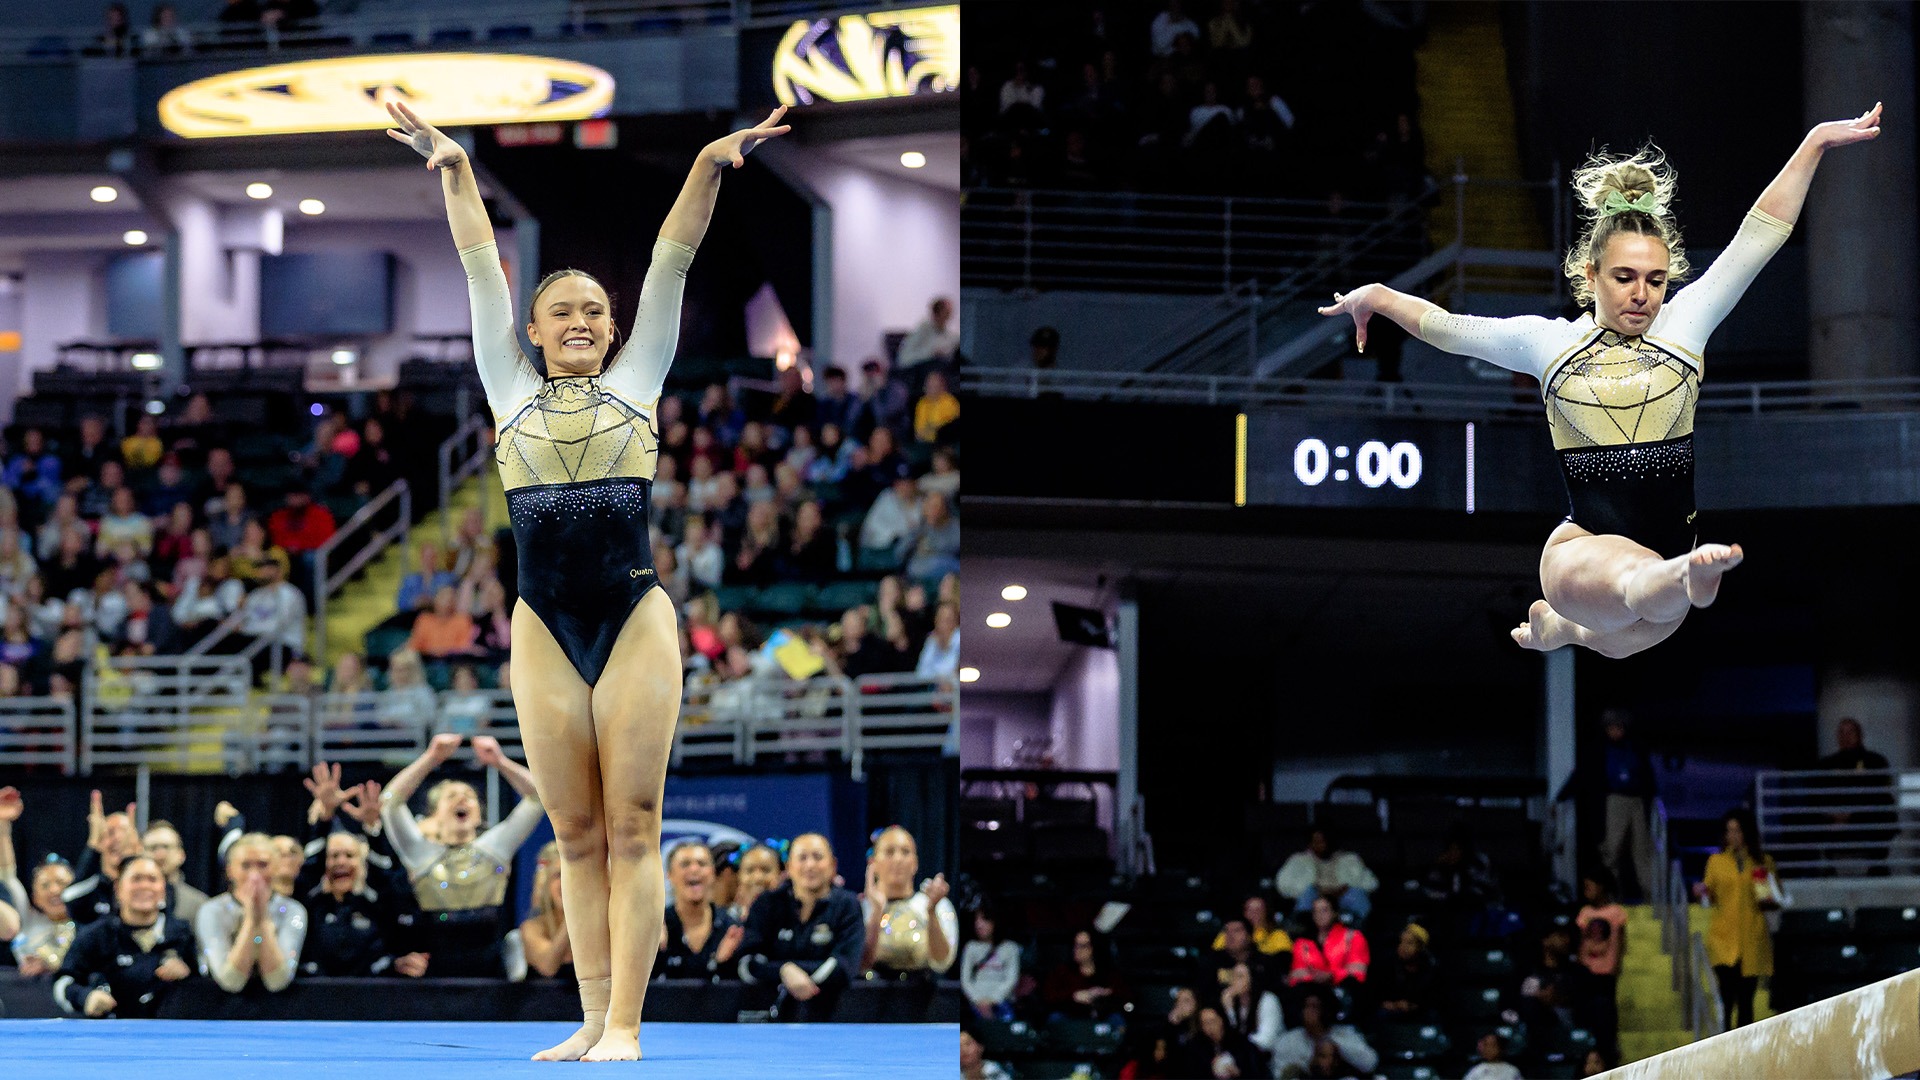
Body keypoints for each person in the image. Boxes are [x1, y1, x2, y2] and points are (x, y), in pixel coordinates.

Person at [391, 96, 791, 1061]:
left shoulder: (639, 379)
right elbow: (480, 263)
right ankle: (588, 1016)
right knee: (572, 833)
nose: (578, 320)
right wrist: (453, 169)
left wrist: (704, 163)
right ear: (531, 330)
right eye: (560, 310)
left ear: (612, 332)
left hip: (631, 612)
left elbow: (672, 259)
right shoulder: (507, 384)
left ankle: (627, 1026)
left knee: (633, 822)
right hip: (542, 622)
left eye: (593, 312)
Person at [1318, 104, 1885, 658]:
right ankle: (1672, 579)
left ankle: (1564, 629)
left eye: (1656, 279)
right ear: (1591, 275)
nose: (1642, 294)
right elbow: (1450, 328)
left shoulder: (1686, 324)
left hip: (1660, 581)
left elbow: (1759, 238)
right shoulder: (1550, 344)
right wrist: (1378, 297)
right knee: (1639, 585)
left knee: (1647, 625)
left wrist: (1813, 144)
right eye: (1625, 277)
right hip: (1579, 554)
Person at [379, 734, 545, 980]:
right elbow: (390, 803)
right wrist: (430, 758)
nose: (461, 799)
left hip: (491, 971)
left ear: (478, 815)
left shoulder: (494, 848)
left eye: (469, 796)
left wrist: (500, 762)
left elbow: (537, 798)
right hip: (436, 972)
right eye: (451, 796)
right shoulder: (420, 852)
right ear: (435, 814)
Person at [736, 832, 864, 1021]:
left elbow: (845, 967)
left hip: (832, 1018)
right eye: (802, 858)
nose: (810, 865)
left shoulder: (847, 905)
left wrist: (794, 973)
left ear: (833, 865)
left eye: (818, 857)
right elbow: (747, 964)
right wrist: (784, 971)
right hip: (771, 1022)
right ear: (788, 867)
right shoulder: (766, 904)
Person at [53, 854, 195, 1018]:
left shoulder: (182, 933)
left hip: (170, 1036)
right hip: (110, 1035)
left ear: (164, 889)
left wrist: (187, 975)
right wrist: (85, 997)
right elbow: (62, 982)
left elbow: (205, 985)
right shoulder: (97, 935)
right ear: (118, 888)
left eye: (152, 879)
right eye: (136, 879)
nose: (144, 886)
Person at [1692, 807, 1777, 1029]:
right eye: (1729, 831)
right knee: (1727, 996)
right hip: (1723, 937)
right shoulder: (1716, 861)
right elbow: (1710, 893)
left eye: (1738, 831)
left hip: (1751, 937)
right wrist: (1702, 891)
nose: (1733, 836)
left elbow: (1769, 898)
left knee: (1746, 999)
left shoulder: (1762, 862)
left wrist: (1768, 896)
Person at [197, 831, 308, 993]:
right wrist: (251, 919)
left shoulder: (292, 910)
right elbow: (231, 981)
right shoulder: (212, 910)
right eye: (246, 865)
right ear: (230, 871)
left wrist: (262, 919)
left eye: (263, 865)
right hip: (223, 1011)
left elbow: (277, 981)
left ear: (276, 868)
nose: (254, 876)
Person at [859, 825, 956, 980]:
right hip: (870, 995)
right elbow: (859, 962)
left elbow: (942, 961)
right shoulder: (861, 908)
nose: (898, 859)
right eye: (889, 852)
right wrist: (877, 913)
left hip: (922, 996)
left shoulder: (933, 905)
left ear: (915, 863)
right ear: (873, 862)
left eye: (905, 852)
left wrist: (931, 912)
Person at [0, 787, 79, 974]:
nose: (54, 890)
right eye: (45, 885)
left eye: (62, 883)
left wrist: (49, 962)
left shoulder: (88, 925)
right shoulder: (28, 921)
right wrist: (2, 825)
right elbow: (6, 874)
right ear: (34, 897)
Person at [1813, 716, 1896, 872]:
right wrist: (1833, 815)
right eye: (1842, 733)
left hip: (1867, 818)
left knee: (1885, 813)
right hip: (1833, 821)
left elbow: (1877, 794)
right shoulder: (1826, 764)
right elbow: (1818, 795)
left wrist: (1851, 815)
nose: (1846, 737)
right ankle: (1828, 871)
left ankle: (1877, 869)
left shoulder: (1875, 761)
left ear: (1860, 735)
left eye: (1850, 732)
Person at [657, 840, 743, 981]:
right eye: (685, 864)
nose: (694, 869)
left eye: (702, 864)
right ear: (669, 875)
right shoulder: (658, 927)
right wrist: (655, 953)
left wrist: (723, 964)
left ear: (713, 873)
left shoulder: (731, 928)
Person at [1595, 708, 1657, 900]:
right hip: (1615, 799)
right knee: (1611, 850)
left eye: (1619, 727)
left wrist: (1652, 796)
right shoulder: (1600, 749)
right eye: (1611, 727)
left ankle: (1650, 897)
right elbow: (1584, 775)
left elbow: (1647, 774)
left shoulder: (1635, 747)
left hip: (1637, 800)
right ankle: (1611, 897)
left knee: (1642, 850)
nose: (1616, 731)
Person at [1268, 985, 1377, 1079]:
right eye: (1306, 1007)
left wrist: (1333, 1043)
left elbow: (1369, 1064)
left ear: (1327, 1010)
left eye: (1315, 1007)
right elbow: (1279, 1074)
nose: (1309, 1012)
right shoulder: (1289, 1040)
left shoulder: (1345, 1034)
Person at [1275, 826, 1379, 921]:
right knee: (1307, 894)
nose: (1321, 845)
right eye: (1317, 841)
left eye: (1323, 841)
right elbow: (1282, 885)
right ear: (1310, 843)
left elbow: (1372, 884)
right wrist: (1316, 889)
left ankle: (1359, 933)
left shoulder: (1349, 859)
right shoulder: (1299, 860)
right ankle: (1303, 932)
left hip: (1342, 895)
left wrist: (1347, 887)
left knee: (1357, 895)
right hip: (1316, 895)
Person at [1576, 867, 1627, 1055]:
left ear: (1601, 887)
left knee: (1607, 1010)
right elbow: (1582, 941)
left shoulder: (1615, 912)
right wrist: (1582, 963)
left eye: (1590, 887)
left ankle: (1609, 1047)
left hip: (1607, 970)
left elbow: (1620, 942)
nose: (1586, 891)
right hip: (1588, 970)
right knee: (1590, 1010)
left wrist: (1615, 966)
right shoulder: (1585, 912)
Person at [1043, 928, 1129, 1023]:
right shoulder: (1062, 972)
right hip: (1071, 1017)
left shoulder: (1107, 972)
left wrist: (1105, 993)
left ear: (1093, 948)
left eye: (1082, 946)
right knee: (1055, 1018)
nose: (1077, 950)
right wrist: (1075, 996)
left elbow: (1126, 996)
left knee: (1117, 1019)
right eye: (1075, 945)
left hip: (1101, 1018)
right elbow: (1049, 996)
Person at [1287, 894, 1369, 987]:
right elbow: (1296, 975)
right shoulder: (1302, 942)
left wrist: (1332, 975)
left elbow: (1358, 972)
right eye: (1315, 911)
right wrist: (1315, 978)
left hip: (1344, 989)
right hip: (1312, 989)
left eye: (1324, 910)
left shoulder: (1353, 937)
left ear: (1334, 913)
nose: (1319, 915)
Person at [523, 841, 576, 980]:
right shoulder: (532, 928)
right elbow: (548, 967)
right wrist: (574, 916)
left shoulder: (600, 927)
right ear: (546, 885)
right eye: (558, 875)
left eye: (572, 873)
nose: (565, 881)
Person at [960, 903, 1021, 1020]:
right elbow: (965, 979)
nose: (978, 924)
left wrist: (993, 1000)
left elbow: (1011, 978)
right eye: (976, 920)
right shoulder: (971, 947)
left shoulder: (1010, 948)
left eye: (984, 919)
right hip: (975, 1003)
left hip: (1002, 1002)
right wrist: (978, 1000)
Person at [141, 819, 208, 925]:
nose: (160, 855)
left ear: (181, 855)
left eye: (166, 847)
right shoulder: (130, 900)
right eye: (153, 848)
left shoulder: (199, 905)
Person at [1372, 922, 1438, 1021]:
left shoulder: (1430, 969)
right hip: (1391, 1010)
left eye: (1409, 943)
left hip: (1418, 1012)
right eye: (1401, 942)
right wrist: (1393, 1004)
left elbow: (1433, 1000)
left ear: (1420, 948)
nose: (1403, 947)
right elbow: (1376, 995)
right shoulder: (1387, 964)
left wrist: (1411, 1006)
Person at [1218, 960, 1283, 1060]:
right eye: (1233, 976)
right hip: (1245, 1056)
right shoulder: (1233, 1004)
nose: (1234, 981)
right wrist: (1229, 1011)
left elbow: (1266, 1040)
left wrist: (1237, 1051)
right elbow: (1231, 1037)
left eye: (1240, 976)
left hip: (1271, 1057)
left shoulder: (1267, 1000)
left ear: (1252, 979)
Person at [730, 841, 783, 922]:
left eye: (766, 870)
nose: (758, 878)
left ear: (780, 875)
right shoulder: (725, 922)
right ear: (739, 877)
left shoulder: (794, 920)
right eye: (750, 870)